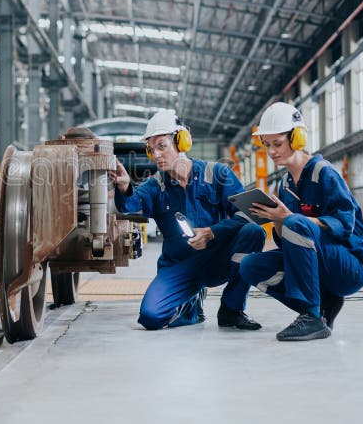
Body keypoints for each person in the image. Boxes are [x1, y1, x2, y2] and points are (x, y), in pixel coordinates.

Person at [111, 109, 266, 330]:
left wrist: (213, 233)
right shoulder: (156, 185)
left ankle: (232, 310)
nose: (156, 155)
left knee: (253, 233)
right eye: (151, 149)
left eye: (161, 146)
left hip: (218, 258)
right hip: (179, 266)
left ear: (181, 142)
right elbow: (132, 204)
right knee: (151, 317)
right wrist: (125, 186)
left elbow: (246, 214)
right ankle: (191, 307)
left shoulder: (218, 174)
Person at [239, 102, 363, 341]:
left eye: (277, 144)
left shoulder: (324, 173)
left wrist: (290, 219)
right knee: (250, 265)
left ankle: (311, 317)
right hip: (322, 265)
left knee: (295, 223)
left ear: (297, 138)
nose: (271, 151)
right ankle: (323, 303)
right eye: (267, 145)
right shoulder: (285, 184)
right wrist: (276, 220)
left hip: (350, 265)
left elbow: (344, 225)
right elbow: (290, 244)